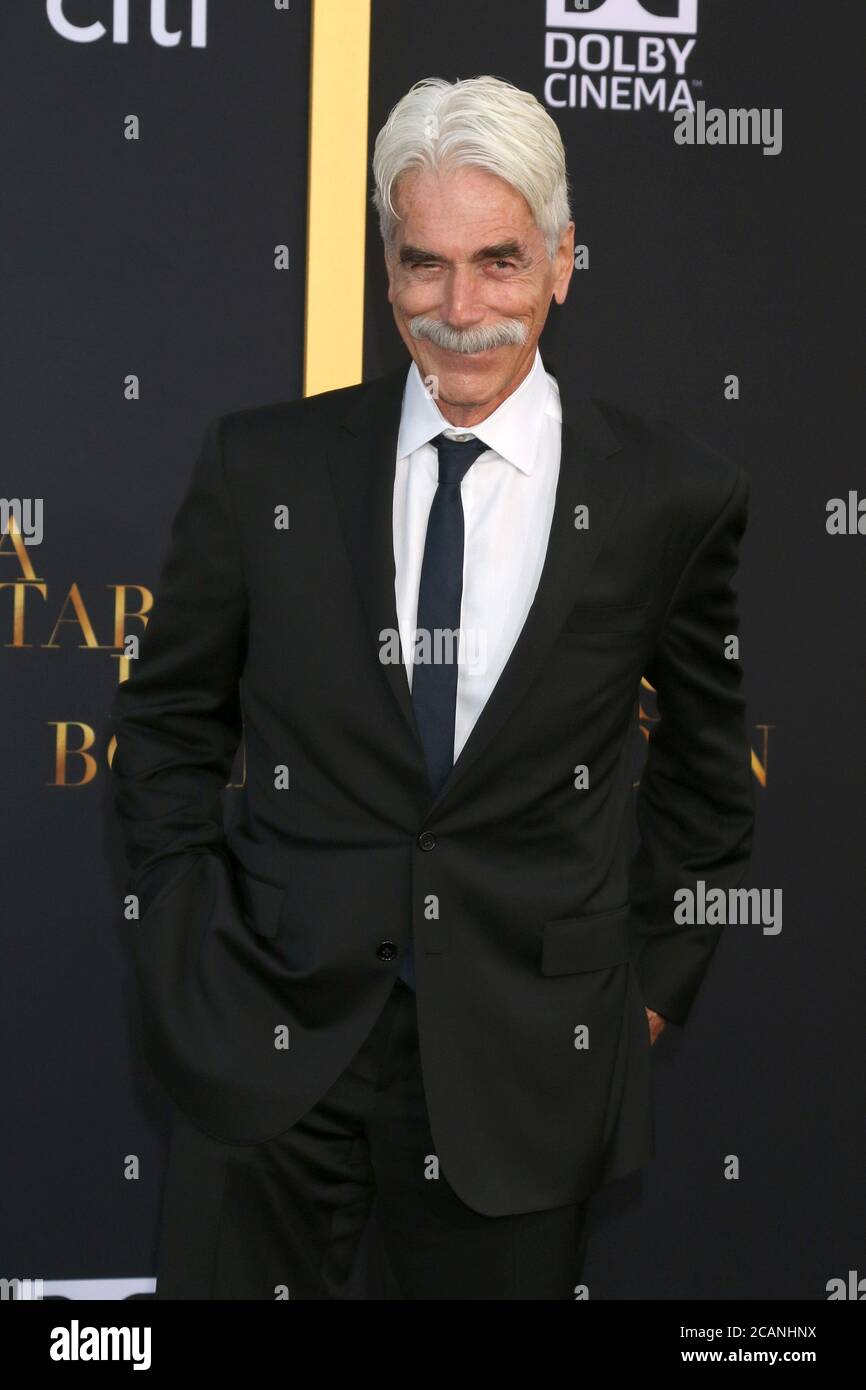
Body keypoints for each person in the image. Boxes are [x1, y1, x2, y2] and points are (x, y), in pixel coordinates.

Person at [109, 75, 754, 1300]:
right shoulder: (264, 467)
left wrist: (639, 1001)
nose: (461, 310)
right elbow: (166, 724)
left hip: (523, 1068)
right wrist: (188, 953)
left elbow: (709, 778)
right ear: (386, 268)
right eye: (424, 264)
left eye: (500, 262)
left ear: (564, 261)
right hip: (268, 1044)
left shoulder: (668, 495)